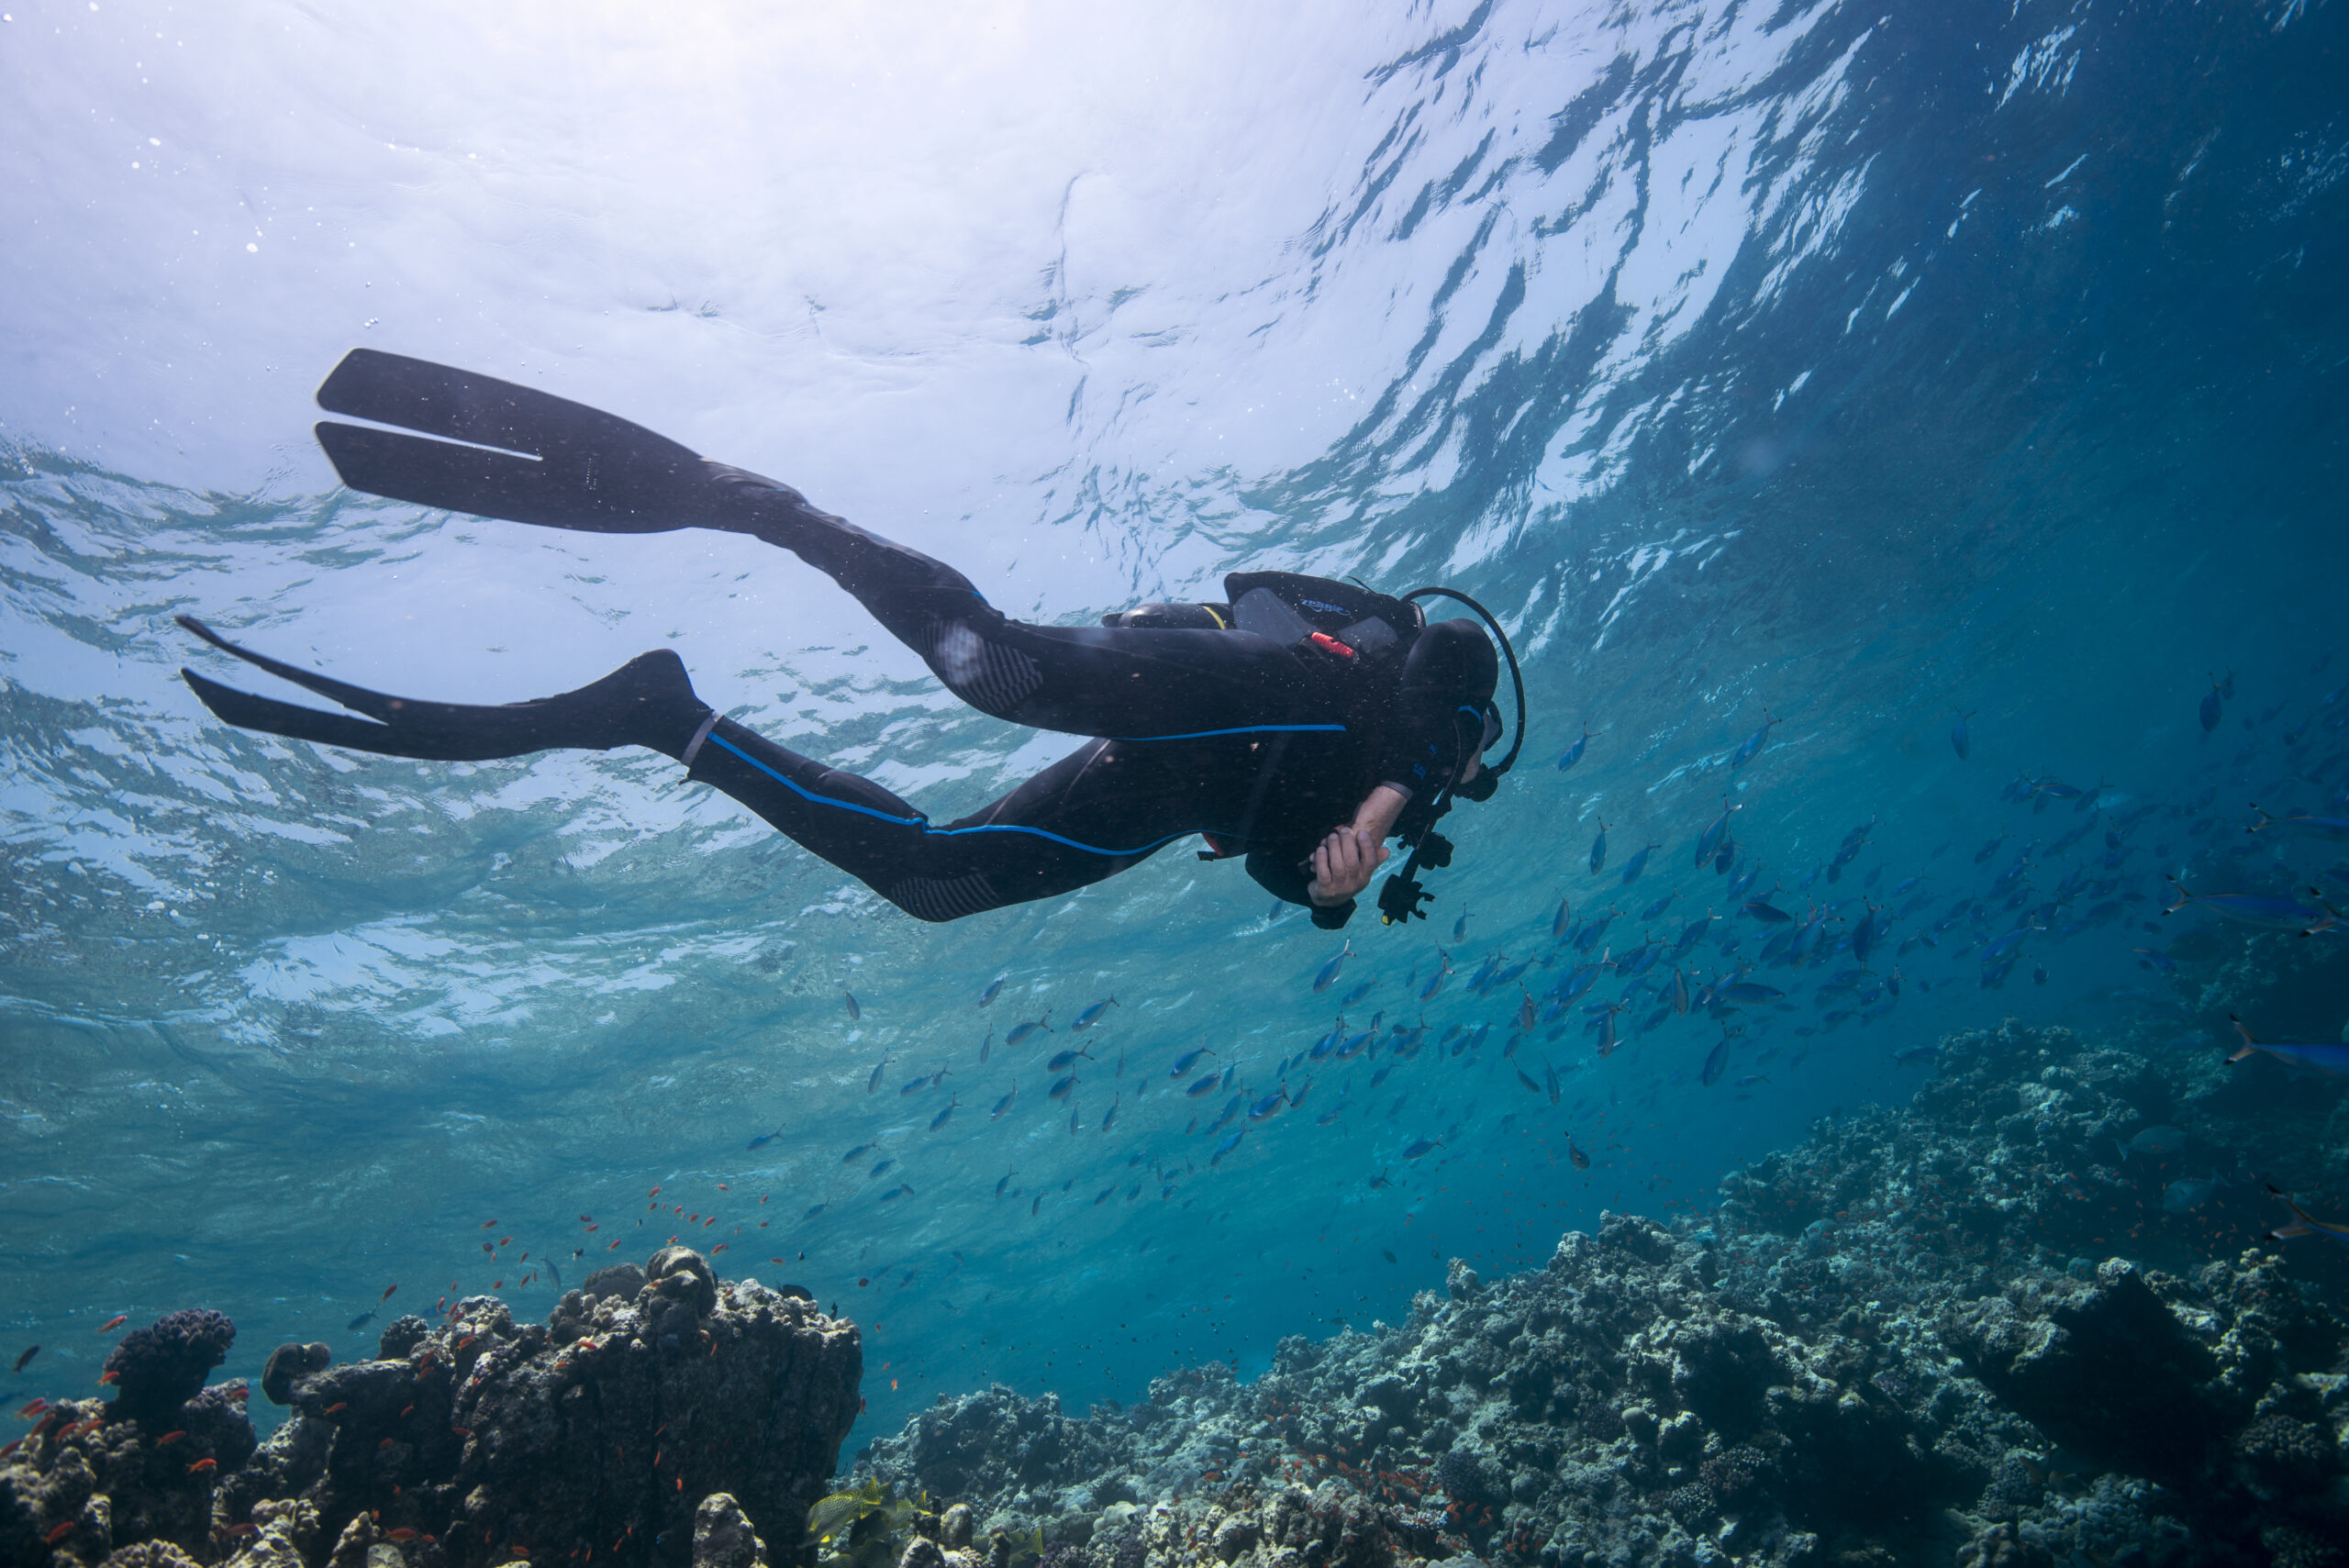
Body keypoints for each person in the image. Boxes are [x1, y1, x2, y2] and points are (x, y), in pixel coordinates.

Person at [178, 352, 1517, 929]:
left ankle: (665, 713)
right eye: (1456, 778)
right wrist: (1403, 787)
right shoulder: (1439, 705)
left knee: (932, 886)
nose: (1444, 790)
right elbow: (1448, 664)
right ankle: (763, 510)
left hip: (1174, 784)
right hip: (1265, 680)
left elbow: (1277, 859)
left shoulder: (1378, 814)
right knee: (994, 666)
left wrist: (1323, 886)